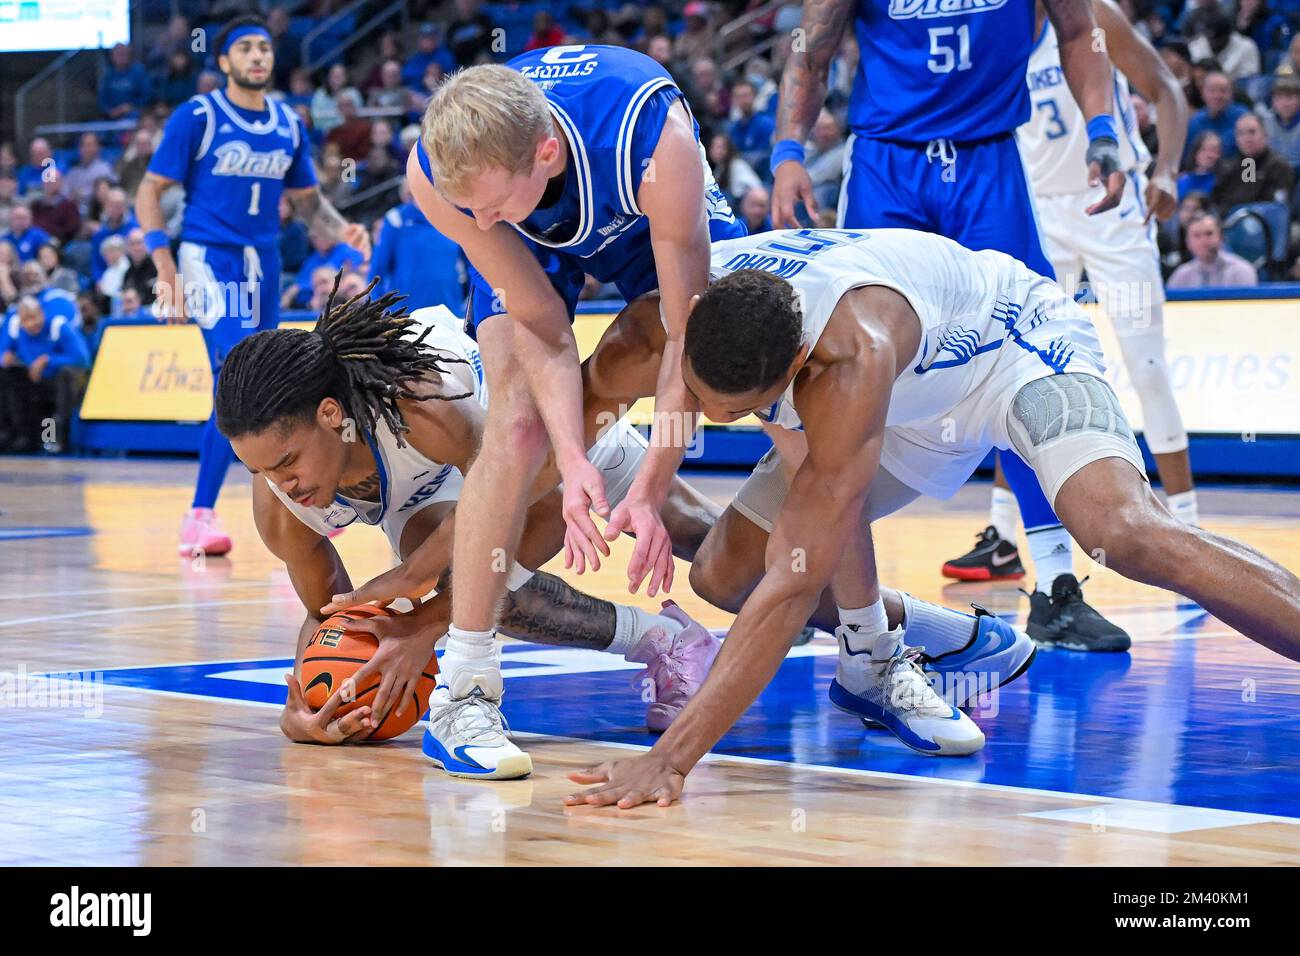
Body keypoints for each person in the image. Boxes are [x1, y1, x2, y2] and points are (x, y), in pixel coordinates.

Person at [564, 227, 1300, 809]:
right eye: (689, 396)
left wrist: (672, 759)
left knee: (1120, 531)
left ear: (794, 369)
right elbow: (564, 418)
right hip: (909, 397)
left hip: (1009, 349)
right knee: (726, 574)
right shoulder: (663, 323)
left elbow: (795, 585)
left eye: (725, 411)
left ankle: (883, 655)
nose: (695, 418)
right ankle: (958, 639)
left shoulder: (848, 362)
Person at [406, 44, 746, 777]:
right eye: (469, 207)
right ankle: (463, 693)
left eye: (490, 202)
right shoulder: (445, 179)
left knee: (748, 364)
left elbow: (685, 340)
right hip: (543, 222)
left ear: (547, 152)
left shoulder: (659, 143)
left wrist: (652, 485)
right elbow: (545, 329)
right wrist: (569, 458)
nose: (479, 218)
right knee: (515, 426)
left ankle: (872, 644)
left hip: (641, 211)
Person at [215, 284, 722, 771]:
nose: (283, 485)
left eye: (287, 462)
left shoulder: (417, 403)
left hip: (543, 438)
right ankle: (663, 640)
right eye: (260, 471)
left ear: (330, 414)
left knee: (727, 561)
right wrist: (308, 702)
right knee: (460, 569)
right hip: (451, 496)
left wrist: (424, 621)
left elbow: (516, 495)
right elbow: (329, 615)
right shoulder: (282, 509)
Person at [770, 0, 1130, 650]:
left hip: (987, 159)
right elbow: (811, 45)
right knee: (850, 369)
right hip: (888, 162)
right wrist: (789, 150)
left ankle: (1055, 586)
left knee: (1029, 359)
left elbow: (1080, 29)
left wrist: (1103, 128)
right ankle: (815, 575)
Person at [959, 0, 1198, 594]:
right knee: (1013, 371)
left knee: (1145, 366)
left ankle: (1190, 522)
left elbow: (1168, 89)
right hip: (1039, 210)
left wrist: (1167, 171)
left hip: (1115, 207)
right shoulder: (1001, 23)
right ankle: (1003, 537)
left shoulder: (1097, 15)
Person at [134, 15, 370, 559]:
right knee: (237, 372)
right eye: (245, 48)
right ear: (223, 61)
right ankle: (200, 515)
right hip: (208, 258)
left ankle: (293, 509)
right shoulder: (198, 115)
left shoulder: (288, 122)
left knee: (269, 385)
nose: (258, 56)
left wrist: (341, 228)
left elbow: (308, 201)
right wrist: (165, 271)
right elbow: (149, 192)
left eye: (264, 47)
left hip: (262, 264)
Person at [0, 295, 90, 453]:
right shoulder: (15, 329)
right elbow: (4, 353)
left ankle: (56, 440)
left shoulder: (58, 326)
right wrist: (6, 357)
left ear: (41, 313)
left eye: (34, 317)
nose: (31, 323)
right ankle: (16, 435)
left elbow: (82, 358)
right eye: (26, 320)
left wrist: (47, 359)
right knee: (7, 375)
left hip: (58, 380)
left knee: (65, 378)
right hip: (34, 381)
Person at [369, 182, 466, 314]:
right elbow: (377, 270)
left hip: (451, 312)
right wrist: (377, 309)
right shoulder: (396, 219)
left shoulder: (454, 217)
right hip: (408, 316)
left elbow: (473, 265)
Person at [1211, 112, 1296, 214]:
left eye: (1252, 132)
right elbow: (1217, 202)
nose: (1246, 139)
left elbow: (1276, 209)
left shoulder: (1279, 167)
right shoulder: (1230, 168)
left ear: (1265, 135)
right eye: (1240, 133)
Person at [1166, 211, 1260, 287]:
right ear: (1187, 242)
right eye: (1197, 235)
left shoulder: (1241, 271)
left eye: (1209, 233)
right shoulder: (1181, 276)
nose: (1204, 241)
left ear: (1221, 237)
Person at [1186, 70, 1248, 159]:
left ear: (1231, 94)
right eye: (1212, 91)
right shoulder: (1194, 123)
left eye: (1223, 91)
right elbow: (1188, 159)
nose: (1217, 96)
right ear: (1203, 94)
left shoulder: (1243, 118)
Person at [1258, 75, 1300, 169]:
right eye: (1278, 97)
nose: (1284, 103)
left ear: (1299, 100)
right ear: (1273, 101)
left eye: (1289, 97)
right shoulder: (1265, 125)